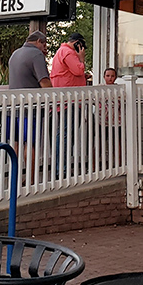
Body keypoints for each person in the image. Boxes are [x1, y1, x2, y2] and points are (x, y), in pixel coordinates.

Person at [7, 31, 50, 172]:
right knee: (30, 143)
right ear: (39, 41)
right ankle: (31, 178)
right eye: (44, 45)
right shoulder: (36, 55)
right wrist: (53, 97)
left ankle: (15, 175)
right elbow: (44, 82)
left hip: (13, 107)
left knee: (17, 143)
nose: (45, 48)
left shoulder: (15, 54)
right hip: (30, 109)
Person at [50, 33, 87, 177]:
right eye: (82, 46)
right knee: (66, 134)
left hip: (64, 99)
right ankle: (62, 169)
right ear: (77, 43)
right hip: (70, 100)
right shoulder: (68, 52)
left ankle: (61, 167)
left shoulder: (60, 52)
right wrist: (81, 59)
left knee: (65, 133)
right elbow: (78, 70)